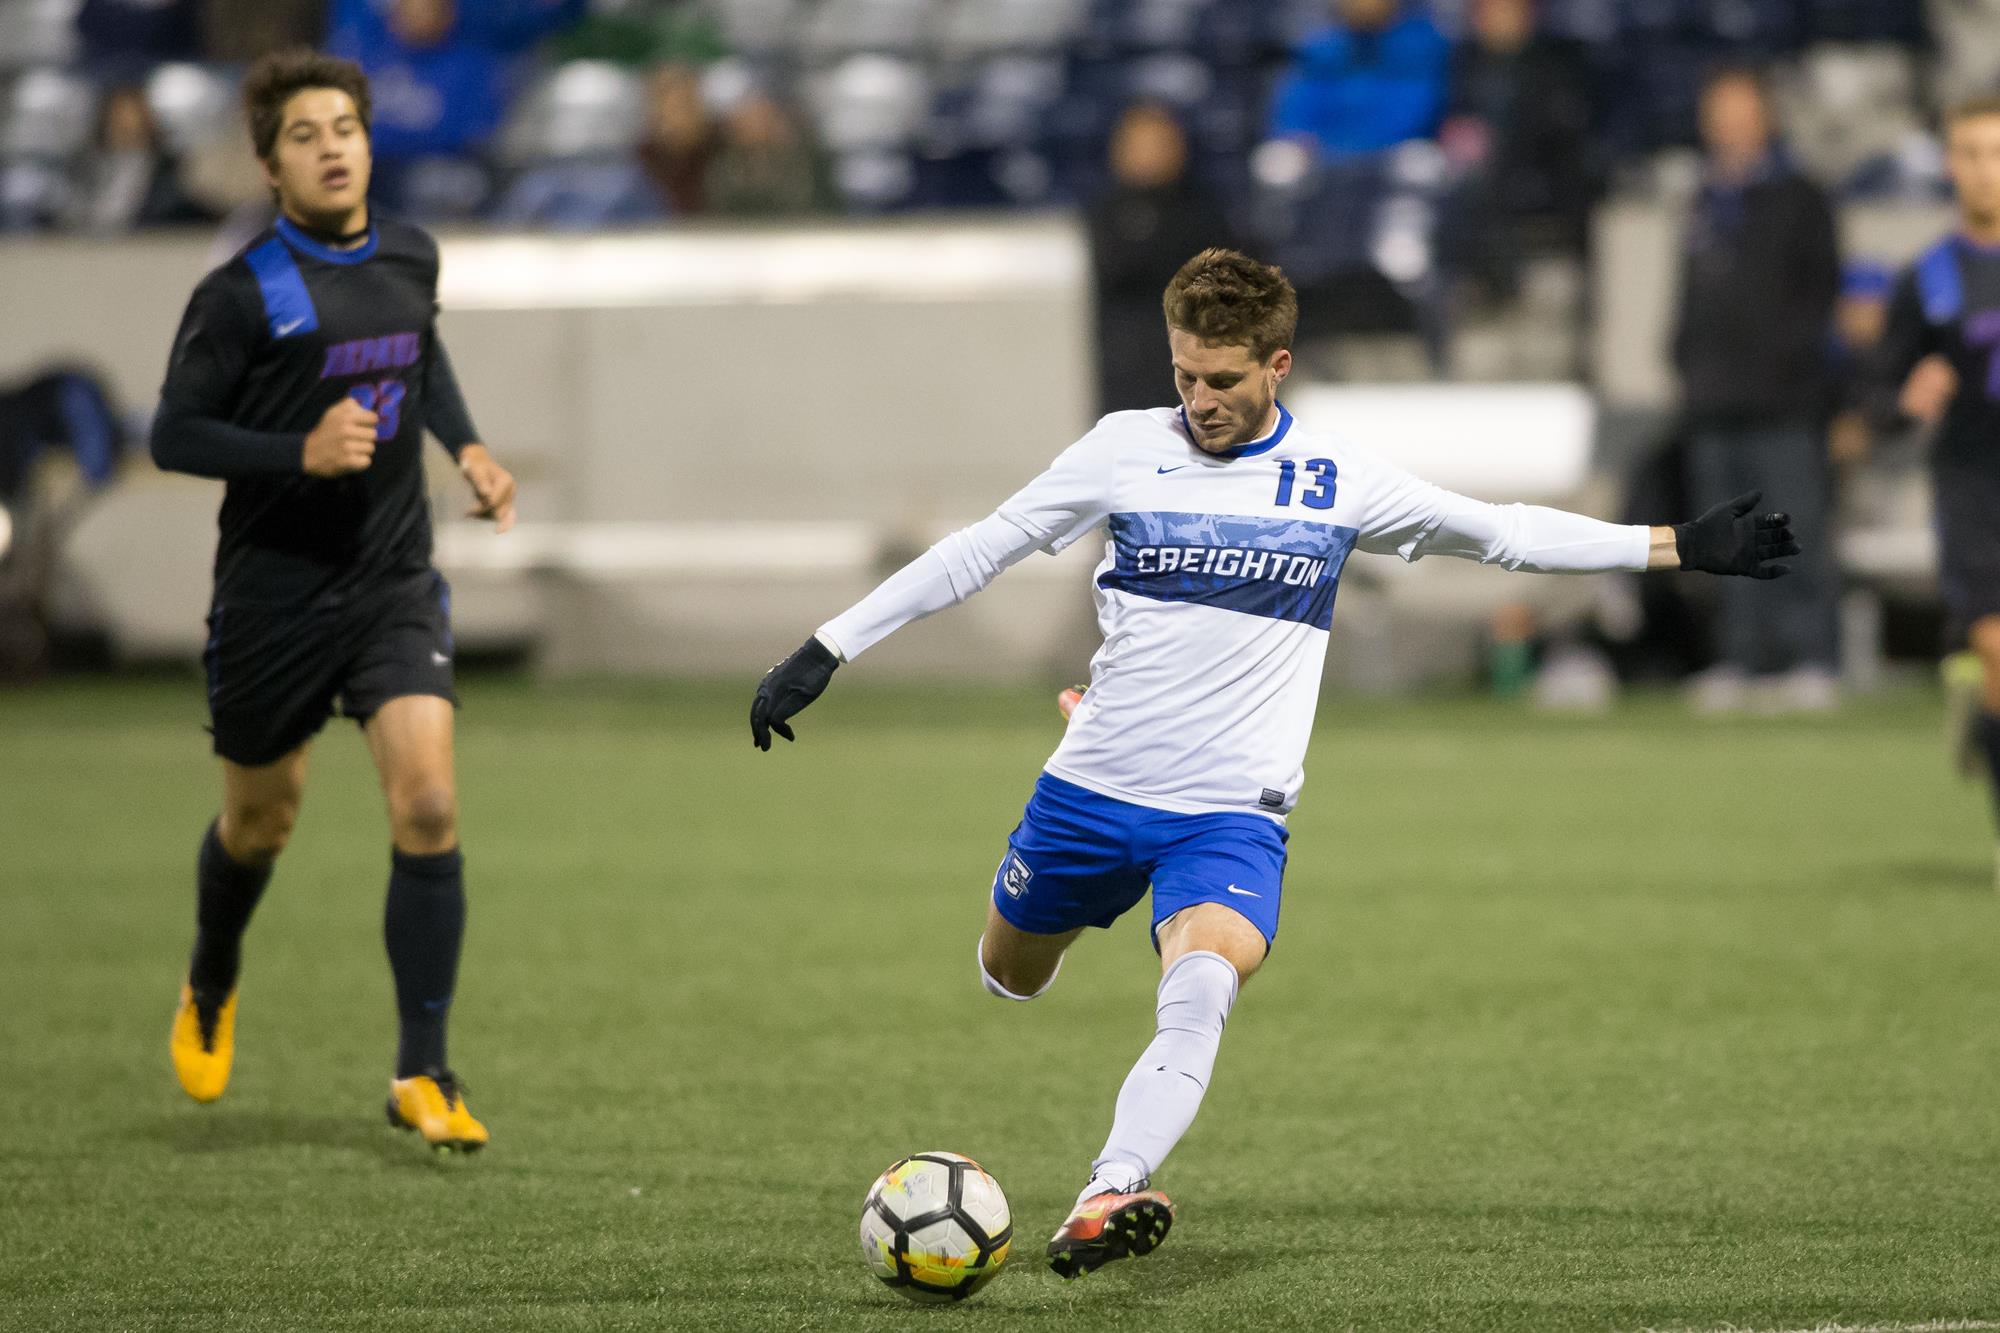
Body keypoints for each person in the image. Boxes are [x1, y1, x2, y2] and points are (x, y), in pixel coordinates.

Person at [749, 248, 1796, 1275]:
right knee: (1008, 974)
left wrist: (1673, 544)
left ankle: (1107, 1187)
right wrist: (826, 645)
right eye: (1182, 376)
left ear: (1275, 366)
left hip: (1227, 813)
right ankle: (1078, 750)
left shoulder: (1334, 481)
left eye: (1220, 379)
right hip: (1090, 791)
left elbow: (1501, 533)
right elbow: (982, 547)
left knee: (1199, 986)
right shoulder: (1122, 448)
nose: (1197, 400)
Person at [150, 49, 518, 1152]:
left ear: (368, 140)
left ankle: (423, 1071)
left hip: (392, 582)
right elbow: (172, 433)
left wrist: (469, 445)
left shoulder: (410, 251)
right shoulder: (240, 289)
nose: (331, 147)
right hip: (273, 597)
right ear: (270, 167)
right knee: (261, 822)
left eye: (343, 127)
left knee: (430, 808)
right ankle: (212, 976)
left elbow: (420, 350)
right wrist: (294, 451)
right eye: (304, 134)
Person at [1670, 66, 1842, 713]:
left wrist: (1792, 368)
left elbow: (1820, 296)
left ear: (1765, 117)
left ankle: (1810, 658)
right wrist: (1684, 364)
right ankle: (1741, 658)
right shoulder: (1703, 199)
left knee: (1791, 530)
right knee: (1723, 542)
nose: (1730, 126)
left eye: (1741, 112)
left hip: (1784, 400)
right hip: (1712, 403)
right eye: (1720, 113)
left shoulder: (1800, 196)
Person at [1860, 95, 2000, 885]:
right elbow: (1875, 399)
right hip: (1974, 484)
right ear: (1950, 166)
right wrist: (1905, 398)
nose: (1985, 170)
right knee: (1998, 644)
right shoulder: (1931, 277)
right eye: (1971, 153)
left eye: (1997, 152)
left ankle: (1981, 717)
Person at [1089, 102, 1233, 414]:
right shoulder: (1102, 214)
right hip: (1122, 369)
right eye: (1140, 143)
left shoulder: (1207, 213)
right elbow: (1115, 269)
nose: (1150, 153)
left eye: (1159, 142)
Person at [1267, 0, 1450, 158]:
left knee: (1419, 161)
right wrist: (1308, 141)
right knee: (1282, 159)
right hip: (1323, 155)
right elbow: (1297, 110)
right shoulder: (1322, 48)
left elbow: (1418, 111)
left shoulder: (1421, 46)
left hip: (1393, 154)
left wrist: (1363, 147)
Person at [66, 84, 216, 233]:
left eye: (133, 115)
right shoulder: (82, 165)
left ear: (148, 120)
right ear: (105, 118)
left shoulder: (171, 172)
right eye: (119, 115)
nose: (126, 123)